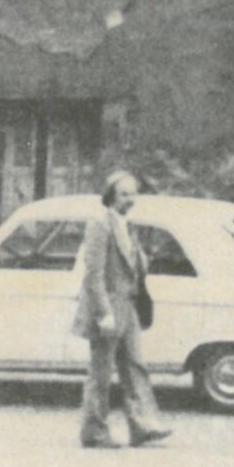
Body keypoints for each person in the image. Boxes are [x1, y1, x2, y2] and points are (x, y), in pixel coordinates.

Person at [70, 171, 170, 450]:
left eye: (133, 194)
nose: (131, 199)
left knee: (136, 367)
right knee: (100, 374)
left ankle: (142, 426)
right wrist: (104, 313)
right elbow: (93, 274)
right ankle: (94, 432)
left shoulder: (129, 225)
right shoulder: (100, 225)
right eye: (125, 194)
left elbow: (134, 267)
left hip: (129, 306)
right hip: (109, 311)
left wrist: (142, 259)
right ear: (111, 195)